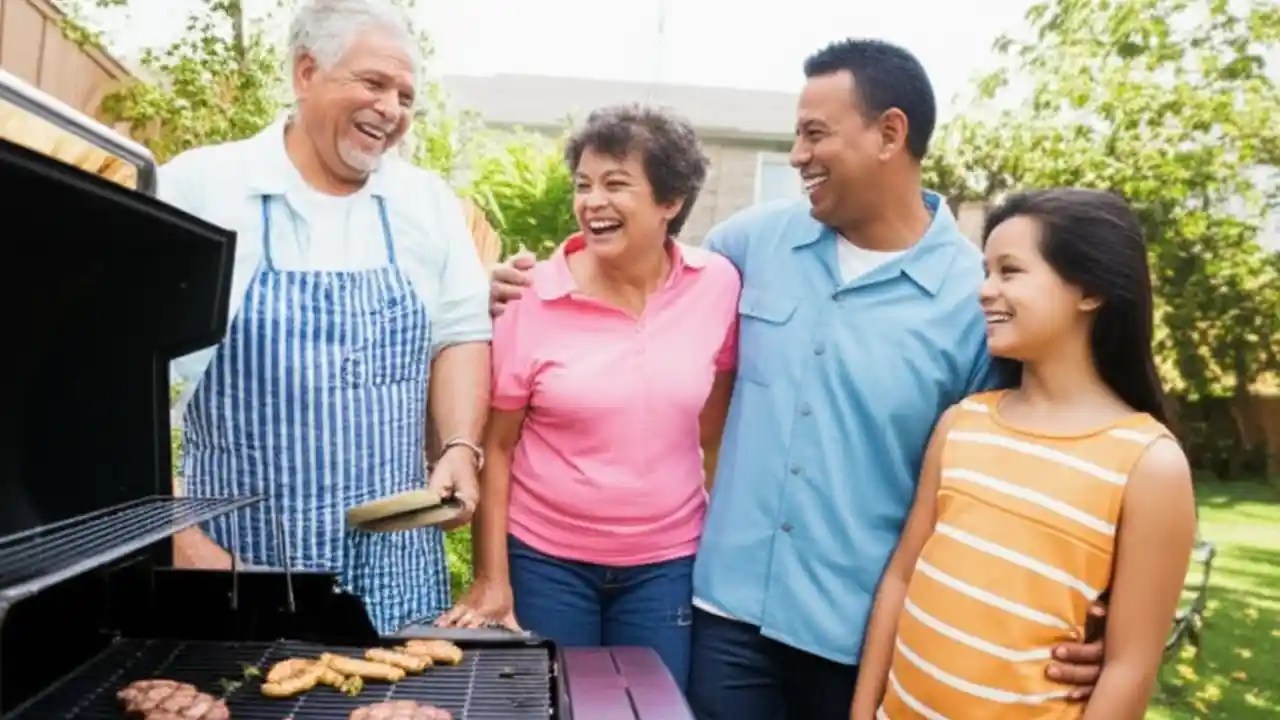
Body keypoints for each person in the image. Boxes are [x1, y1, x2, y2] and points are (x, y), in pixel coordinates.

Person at [489, 39, 1106, 718]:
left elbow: (1023, 466)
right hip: (725, 618)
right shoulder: (749, 244)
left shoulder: (973, 301)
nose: (796, 156)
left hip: (859, 633)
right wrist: (533, 281)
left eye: (815, 134)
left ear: (889, 134)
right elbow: (637, 271)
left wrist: (1099, 606)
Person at [160, 0, 491, 635]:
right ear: (306, 72)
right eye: (372, 83)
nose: (391, 109)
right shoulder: (201, 188)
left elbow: (461, 334)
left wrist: (458, 448)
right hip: (236, 564)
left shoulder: (426, 202)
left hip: (394, 569)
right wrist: (185, 543)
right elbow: (109, 381)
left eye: (405, 95)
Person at [849, 188, 1196, 719]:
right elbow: (901, 578)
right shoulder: (962, 424)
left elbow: (1129, 669)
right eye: (986, 272)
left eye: (1009, 272)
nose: (985, 291)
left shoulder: (1150, 465)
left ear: (1090, 289)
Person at [435, 104, 739, 692]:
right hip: (546, 562)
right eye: (584, 184)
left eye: (615, 184)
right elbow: (497, 448)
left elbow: (713, 426)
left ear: (670, 201)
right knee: (553, 705)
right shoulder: (531, 296)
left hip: (665, 564)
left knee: (652, 707)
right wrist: (493, 579)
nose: (592, 201)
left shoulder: (717, 285)